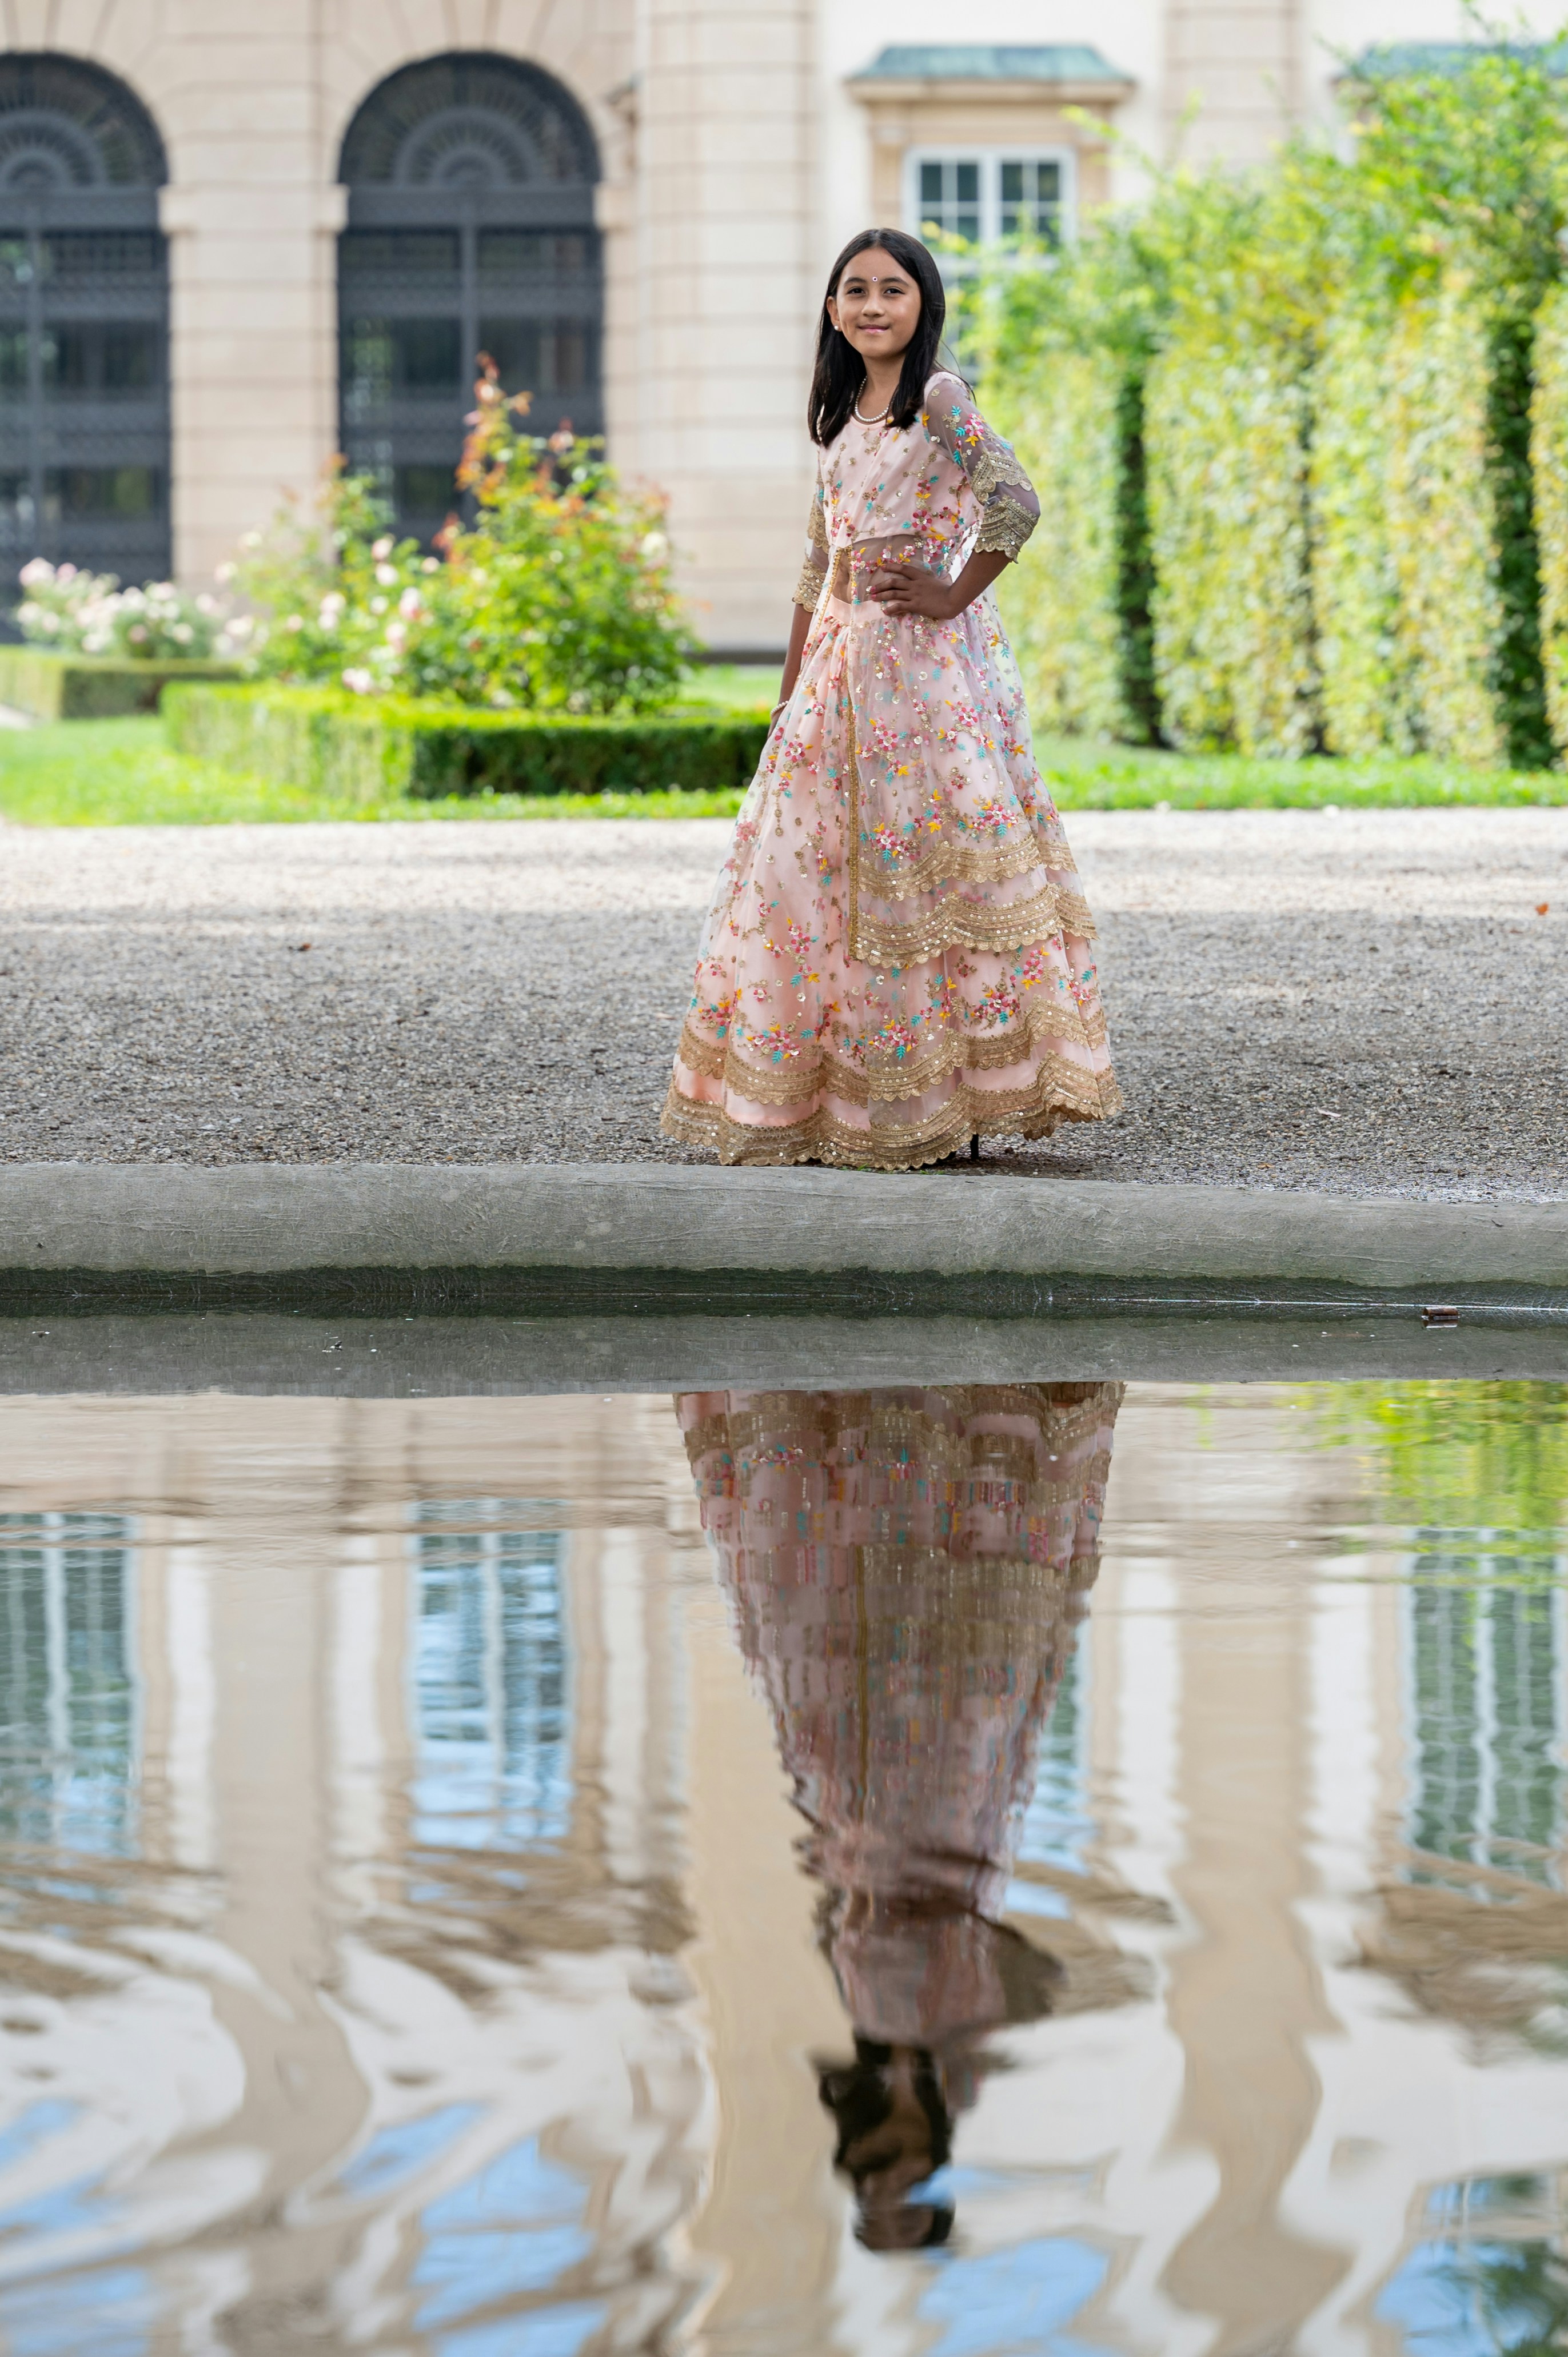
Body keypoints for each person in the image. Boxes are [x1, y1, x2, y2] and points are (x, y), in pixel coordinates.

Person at [660, 227, 1123, 1169]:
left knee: (931, 866)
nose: (873, 306)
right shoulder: (837, 414)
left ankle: (955, 1097)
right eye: (855, 290)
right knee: (812, 870)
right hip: (840, 668)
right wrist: (792, 690)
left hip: (922, 669)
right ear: (832, 309)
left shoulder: (939, 398)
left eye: (893, 290)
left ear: (925, 304)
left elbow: (1017, 500)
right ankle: (833, 1100)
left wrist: (953, 591)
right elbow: (817, 564)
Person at [676, 1379, 1127, 2249]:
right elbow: (1041, 1975)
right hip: (949, 1822)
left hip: (878, 1804)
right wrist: (964, 2039)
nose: (892, 2165)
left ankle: (895, 1396)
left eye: (879, 2177)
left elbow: (884, 1918)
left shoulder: (875, 2018)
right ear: (930, 2161)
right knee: (959, 1667)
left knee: (862, 1625)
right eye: (905, 2181)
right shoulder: (962, 2058)